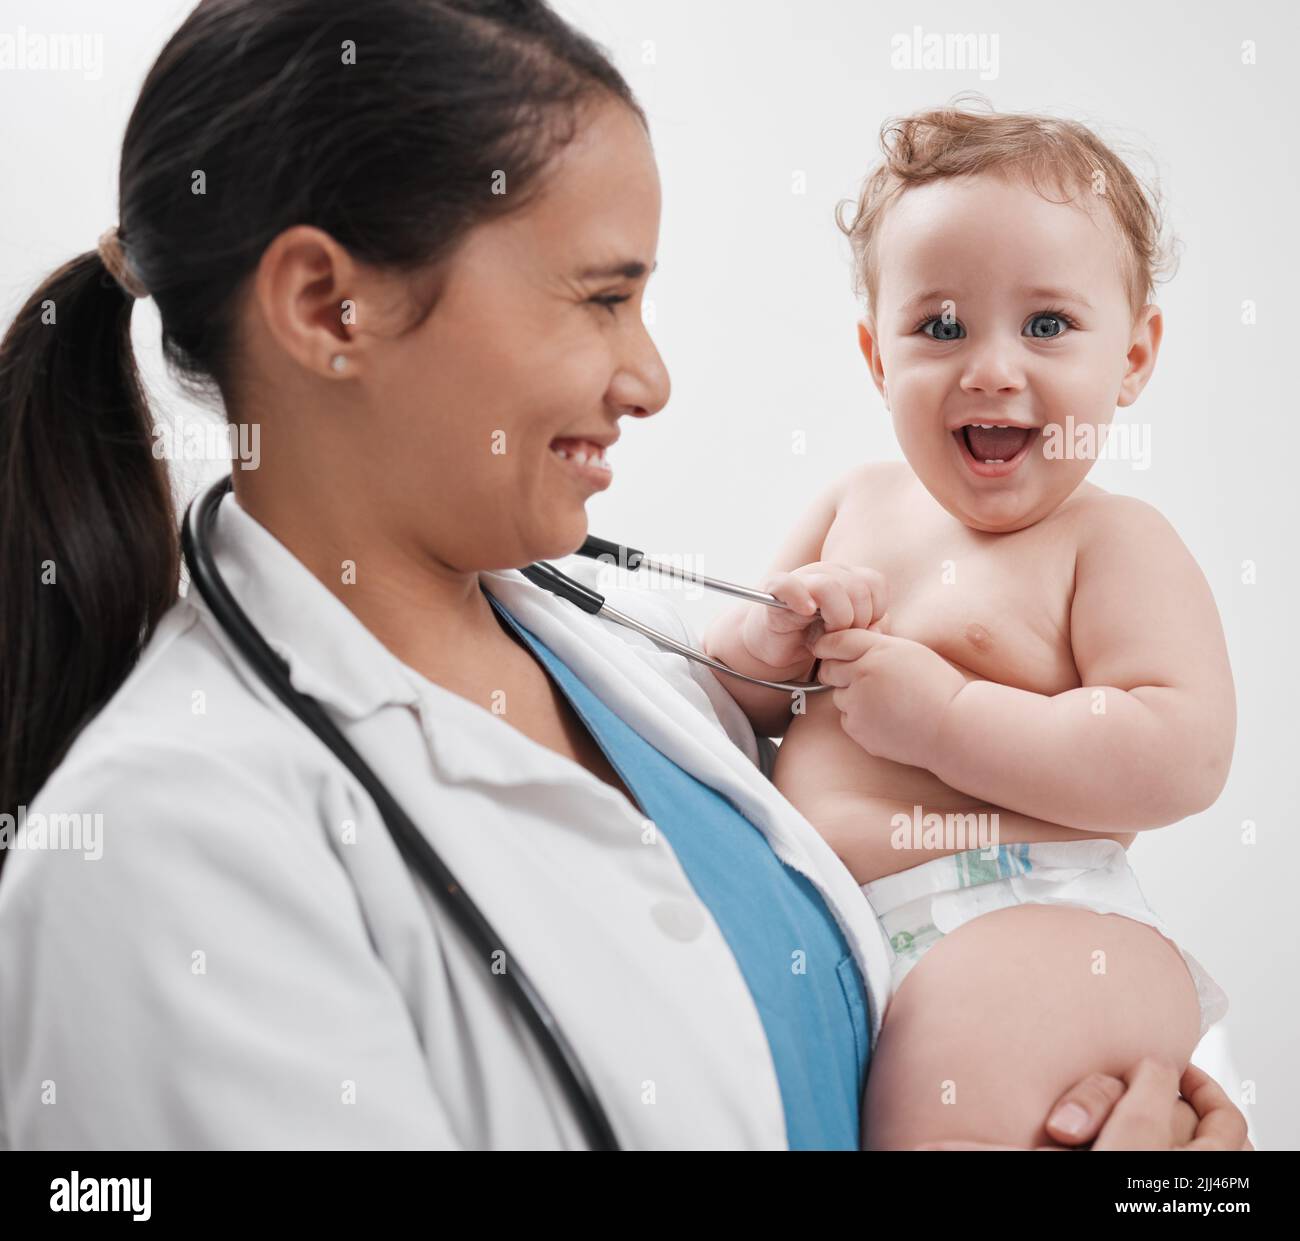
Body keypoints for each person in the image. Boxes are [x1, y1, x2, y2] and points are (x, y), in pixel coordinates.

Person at [0, 0, 1248, 1150]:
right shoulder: (167, 853)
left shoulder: (633, 649)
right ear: (333, 307)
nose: (651, 379)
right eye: (601, 298)